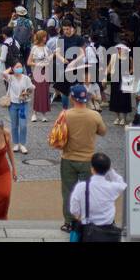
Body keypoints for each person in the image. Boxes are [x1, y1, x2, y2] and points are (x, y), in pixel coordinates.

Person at [56, 84, 107, 233]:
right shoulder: (94, 115)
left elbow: (57, 134)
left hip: (68, 158)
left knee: (68, 192)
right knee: (87, 192)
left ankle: (69, 222)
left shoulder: (65, 115)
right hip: (87, 160)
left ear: (72, 97)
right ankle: (86, 221)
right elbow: (103, 132)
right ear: (86, 98)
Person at [68, 152, 126, 241]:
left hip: (88, 233)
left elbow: (74, 210)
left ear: (92, 169)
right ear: (107, 170)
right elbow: (122, 183)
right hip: (108, 233)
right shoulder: (112, 187)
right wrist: (111, 171)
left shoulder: (81, 187)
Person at [6, 63, 32, 154]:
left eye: (20, 66)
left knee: (23, 125)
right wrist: (9, 69)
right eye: (17, 67)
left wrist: (26, 93)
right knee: (14, 125)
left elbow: (31, 88)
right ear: (13, 68)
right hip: (13, 104)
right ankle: (16, 143)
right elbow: (2, 74)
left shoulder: (26, 78)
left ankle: (23, 144)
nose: (19, 68)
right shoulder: (10, 78)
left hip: (23, 104)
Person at [28, 30, 52, 121]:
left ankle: (44, 114)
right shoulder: (34, 48)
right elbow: (29, 62)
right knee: (38, 92)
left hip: (46, 71)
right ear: (41, 37)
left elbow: (49, 60)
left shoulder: (46, 48)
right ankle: (34, 113)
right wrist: (38, 65)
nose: (46, 38)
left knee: (45, 92)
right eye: (45, 37)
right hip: (38, 71)